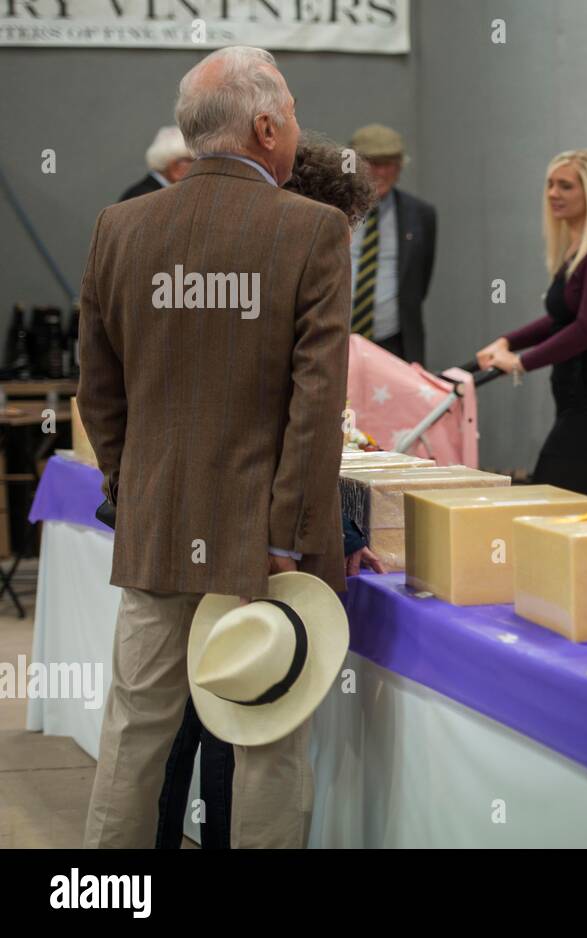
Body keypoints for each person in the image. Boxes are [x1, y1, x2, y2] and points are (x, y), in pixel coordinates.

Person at [78, 45, 351, 849]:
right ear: (266, 127)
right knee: (266, 743)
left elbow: (98, 388)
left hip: (158, 526)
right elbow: (316, 403)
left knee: (133, 736)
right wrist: (285, 536)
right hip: (261, 549)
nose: (299, 127)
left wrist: (133, 487)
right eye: (294, 112)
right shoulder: (313, 230)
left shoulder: (119, 226)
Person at [153, 130, 383, 850]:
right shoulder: (296, 276)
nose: (341, 250)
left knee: (182, 712)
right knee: (237, 714)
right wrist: (338, 538)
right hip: (256, 529)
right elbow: (302, 430)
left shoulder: (216, 264)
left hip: (180, 514)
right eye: (341, 233)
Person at [476, 150, 587, 503]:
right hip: (584, 400)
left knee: (550, 500)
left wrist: (522, 362)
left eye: (565, 186)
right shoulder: (578, 250)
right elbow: (559, 319)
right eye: (550, 184)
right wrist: (507, 341)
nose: (553, 193)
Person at [347, 123, 437, 365]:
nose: (380, 173)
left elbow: (420, 284)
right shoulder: (329, 210)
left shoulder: (421, 216)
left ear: (399, 167)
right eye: (372, 163)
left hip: (394, 344)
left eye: (389, 164)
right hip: (335, 340)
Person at [118, 125, 193, 201]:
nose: (196, 166)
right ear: (175, 167)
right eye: (191, 161)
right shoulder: (149, 197)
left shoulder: (141, 192)